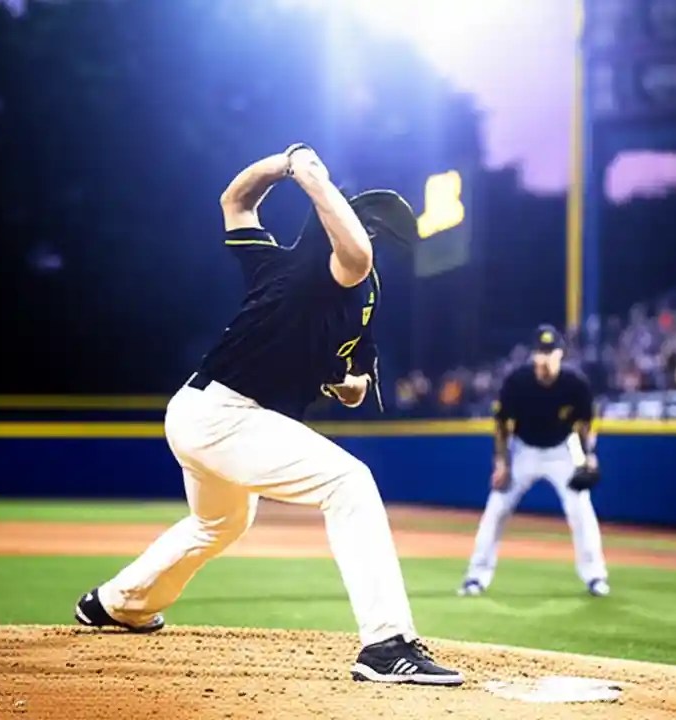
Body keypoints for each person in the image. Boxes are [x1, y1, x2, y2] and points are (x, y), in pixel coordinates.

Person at [73, 145, 463, 686]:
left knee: (222, 521)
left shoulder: (357, 298)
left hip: (210, 416)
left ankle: (117, 602)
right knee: (350, 483)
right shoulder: (300, 265)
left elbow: (354, 385)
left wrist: (342, 382)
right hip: (222, 414)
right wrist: (291, 165)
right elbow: (237, 199)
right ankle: (385, 643)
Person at [458, 325, 610, 597]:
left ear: (560, 354)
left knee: (580, 509)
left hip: (562, 450)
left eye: (549, 352)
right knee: (497, 509)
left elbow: (586, 424)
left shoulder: (575, 383)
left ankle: (595, 576)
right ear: (533, 355)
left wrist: (588, 456)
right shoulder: (518, 381)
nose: (543, 358)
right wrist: (502, 463)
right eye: (540, 352)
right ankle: (476, 577)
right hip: (523, 450)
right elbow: (502, 424)